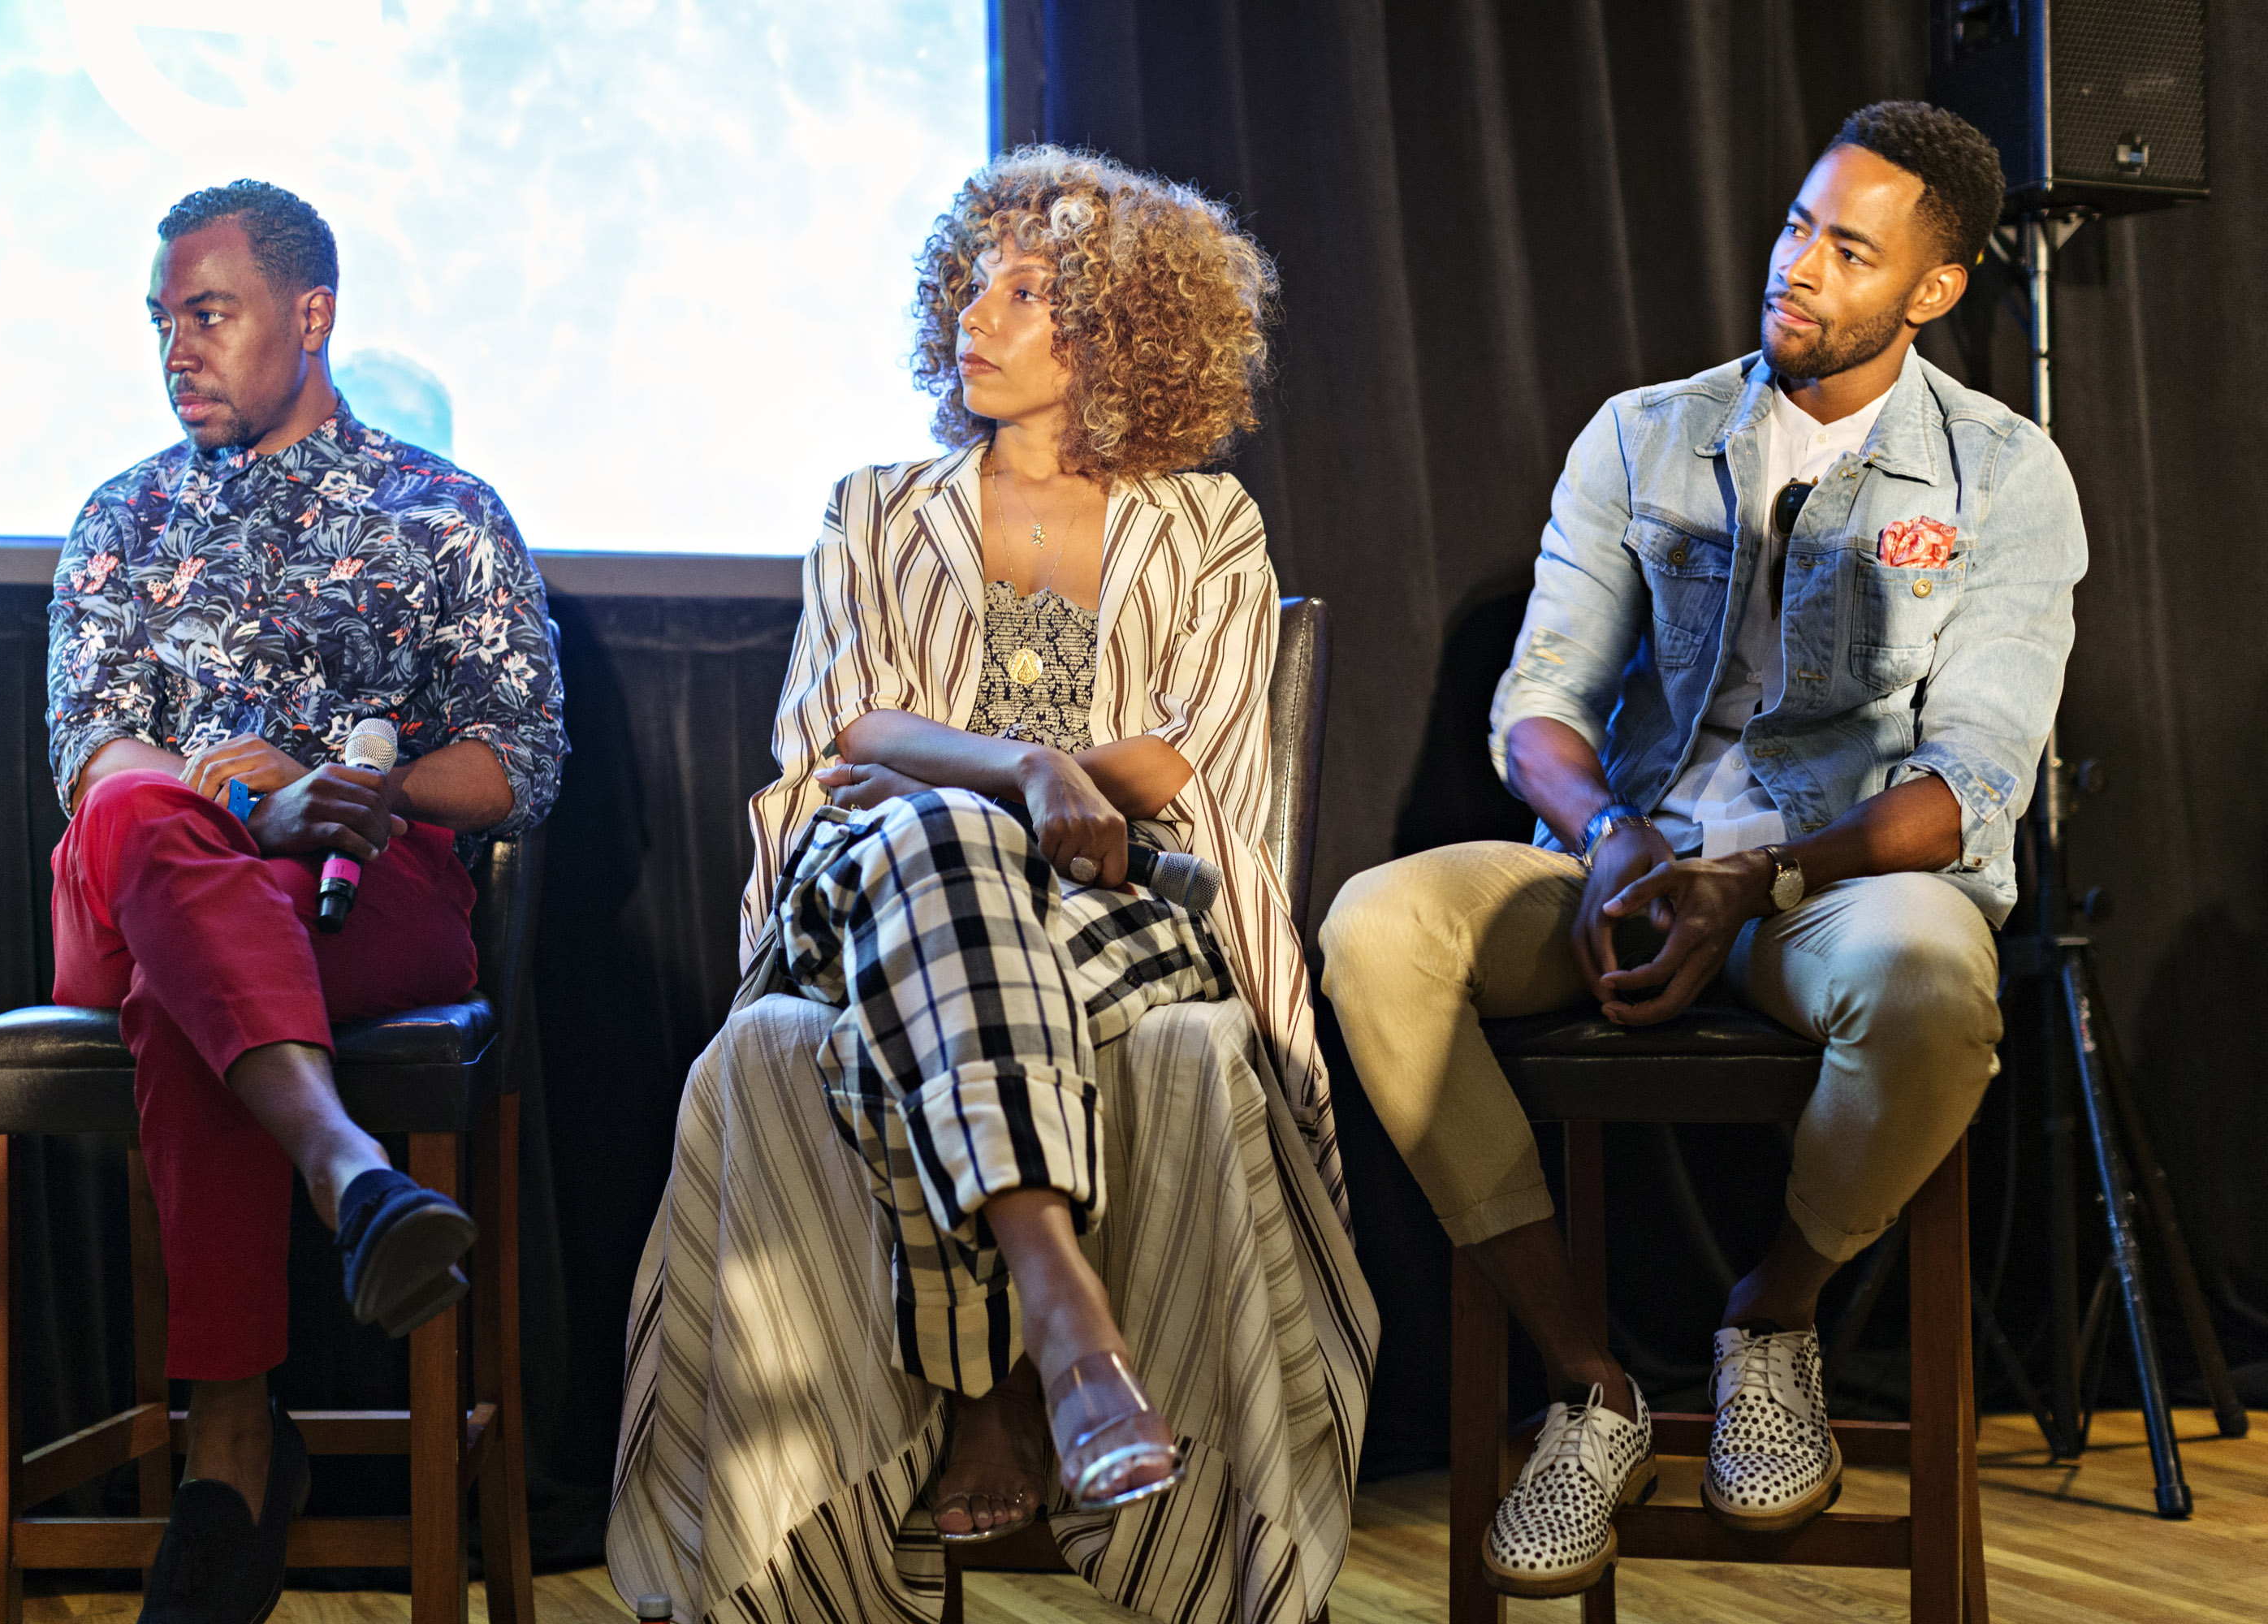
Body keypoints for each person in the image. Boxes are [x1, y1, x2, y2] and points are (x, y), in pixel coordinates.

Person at [1321, 102, 2084, 1598]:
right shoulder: (1645, 433)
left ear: (1933, 289)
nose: (1797, 265)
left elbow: (1974, 778)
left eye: (1849, 250)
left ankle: (1774, 1316)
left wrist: (1769, 877)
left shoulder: (2002, 472)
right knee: (1374, 928)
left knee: (1935, 982)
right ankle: (1589, 1384)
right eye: (1799, 225)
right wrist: (1609, 837)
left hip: (1835, 887)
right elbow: (1539, 705)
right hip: (1638, 858)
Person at [606, 147, 1377, 1624]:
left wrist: (989, 788)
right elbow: (847, 727)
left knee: (937, 848)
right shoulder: (876, 506)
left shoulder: (1207, 522)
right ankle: (1065, 1322)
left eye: (1027, 293)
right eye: (970, 284)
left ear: (1122, 326)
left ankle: (993, 1376)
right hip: (873, 894)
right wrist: (1028, 777)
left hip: (1118, 906)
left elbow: (1191, 750)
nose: (978, 314)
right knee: (934, 844)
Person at [45, 180, 564, 1623]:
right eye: (162, 322)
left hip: (358, 895)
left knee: (191, 987)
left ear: (314, 313)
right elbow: (94, 756)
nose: (177, 350)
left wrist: (361, 790)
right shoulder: (123, 515)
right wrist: (245, 811)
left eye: (208, 315)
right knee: (143, 823)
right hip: (142, 880)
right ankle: (349, 1171)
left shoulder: (444, 513)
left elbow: (518, 765)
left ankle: (229, 1452)